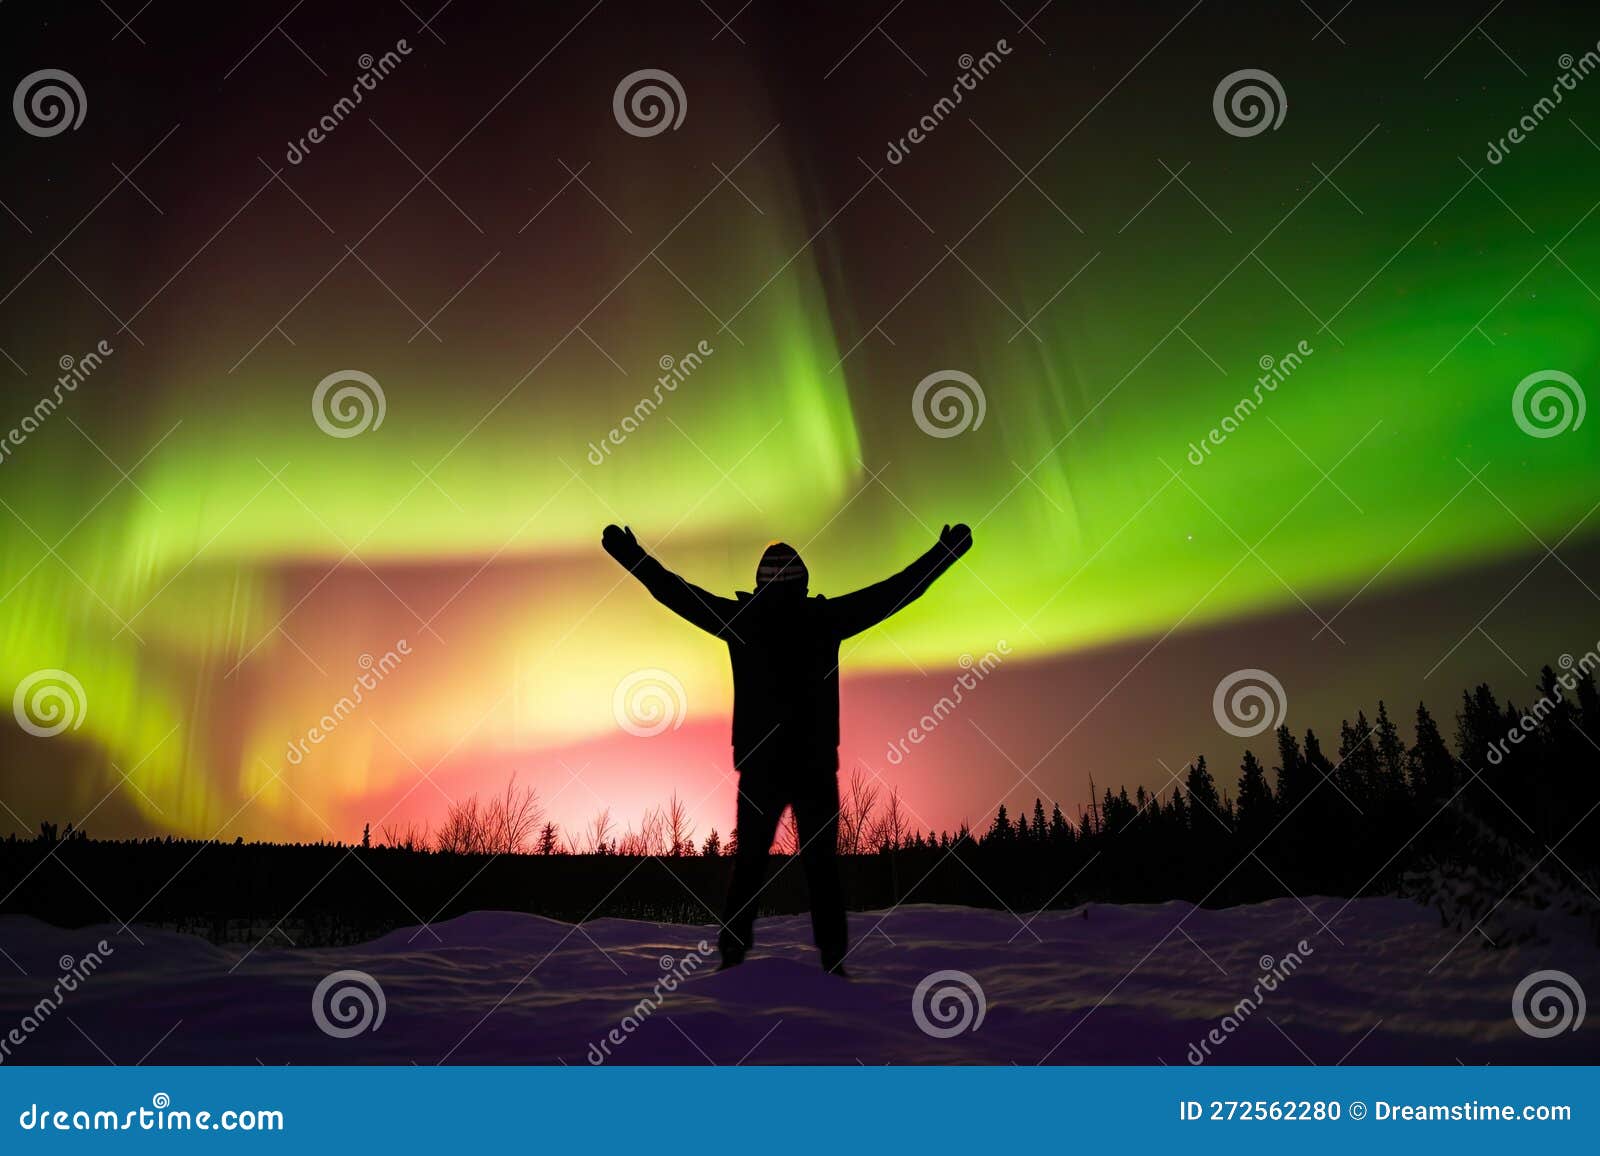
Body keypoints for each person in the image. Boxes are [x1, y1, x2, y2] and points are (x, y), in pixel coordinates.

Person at [601, 522, 973, 974]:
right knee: (821, 871)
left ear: (760, 585)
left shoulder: (743, 621)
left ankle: (733, 961)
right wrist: (943, 554)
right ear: (806, 585)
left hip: (762, 765)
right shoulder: (823, 621)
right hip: (813, 765)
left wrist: (631, 554)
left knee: (750, 868)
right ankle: (832, 966)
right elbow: (894, 593)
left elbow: (673, 592)